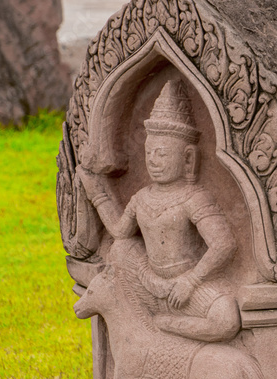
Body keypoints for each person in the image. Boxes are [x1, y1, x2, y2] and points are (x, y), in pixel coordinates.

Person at [79, 79, 241, 343]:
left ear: (188, 157)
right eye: (149, 153)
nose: (153, 161)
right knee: (119, 253)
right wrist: (97, 193)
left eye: (162, 154)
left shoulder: (194, 197)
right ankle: (155, 326)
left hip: (186, 284)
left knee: (226, 319)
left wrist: (191, 281)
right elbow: (120, 231)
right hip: (149, 283)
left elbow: (224, 244)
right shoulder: (142, 197)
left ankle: (166, 325)